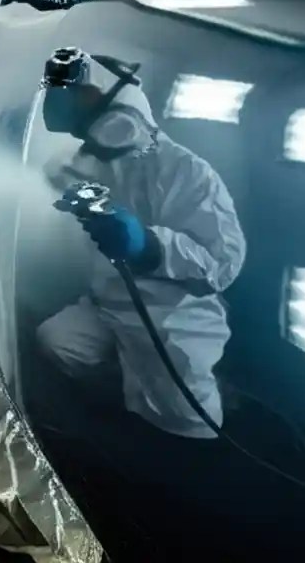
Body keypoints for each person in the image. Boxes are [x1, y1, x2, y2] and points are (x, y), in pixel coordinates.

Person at [35, 60, 246, 439]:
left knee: (191, 421)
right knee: (59, 340)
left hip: (174, 312)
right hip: (108, 303)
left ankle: (200, 400)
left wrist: (148, 244)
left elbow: (223, 264)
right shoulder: (90, 161)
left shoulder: (188, 174)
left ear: (123, 106)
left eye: (83, 98)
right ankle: (128, 395)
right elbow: (61, 175)